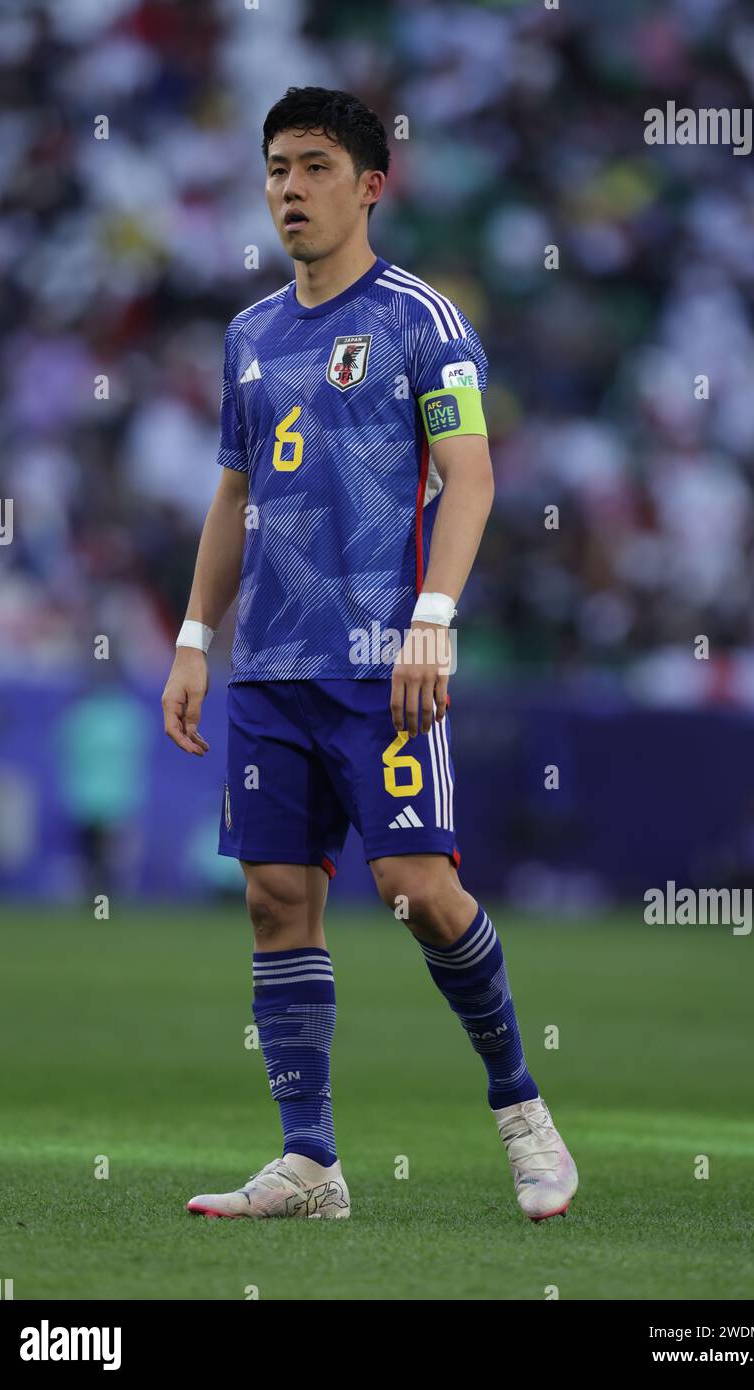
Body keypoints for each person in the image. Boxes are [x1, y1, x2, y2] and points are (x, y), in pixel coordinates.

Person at [160, 86, 577, 1223]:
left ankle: (522, 1107)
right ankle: (310, 1162)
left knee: (419, 890)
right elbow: (234, 497)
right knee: (273, 896)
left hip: (384, 658)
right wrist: (196, 640)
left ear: (370, 184)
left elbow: (473, 478)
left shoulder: (421, 321)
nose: (289, 189)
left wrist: (433, 618)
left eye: (312, 167)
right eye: (276, 168)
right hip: (271, 669)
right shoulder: (248, 335)